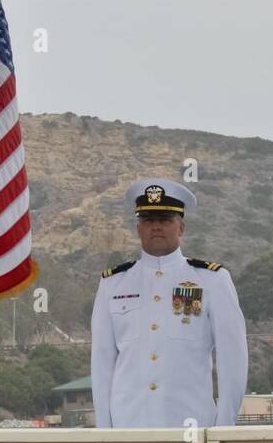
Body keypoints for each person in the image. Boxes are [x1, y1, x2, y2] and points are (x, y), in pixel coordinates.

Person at [91, 178, 247, 429]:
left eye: (165, 220)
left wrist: (224, 427)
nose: (156, 227)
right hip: (129, 426)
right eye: (149, 221)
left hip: (191, 424)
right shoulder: (114, 284)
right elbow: (101, 361)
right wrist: (104, 430)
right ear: (138, 228)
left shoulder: (211, 280)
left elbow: (233, 359)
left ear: (181, 228)